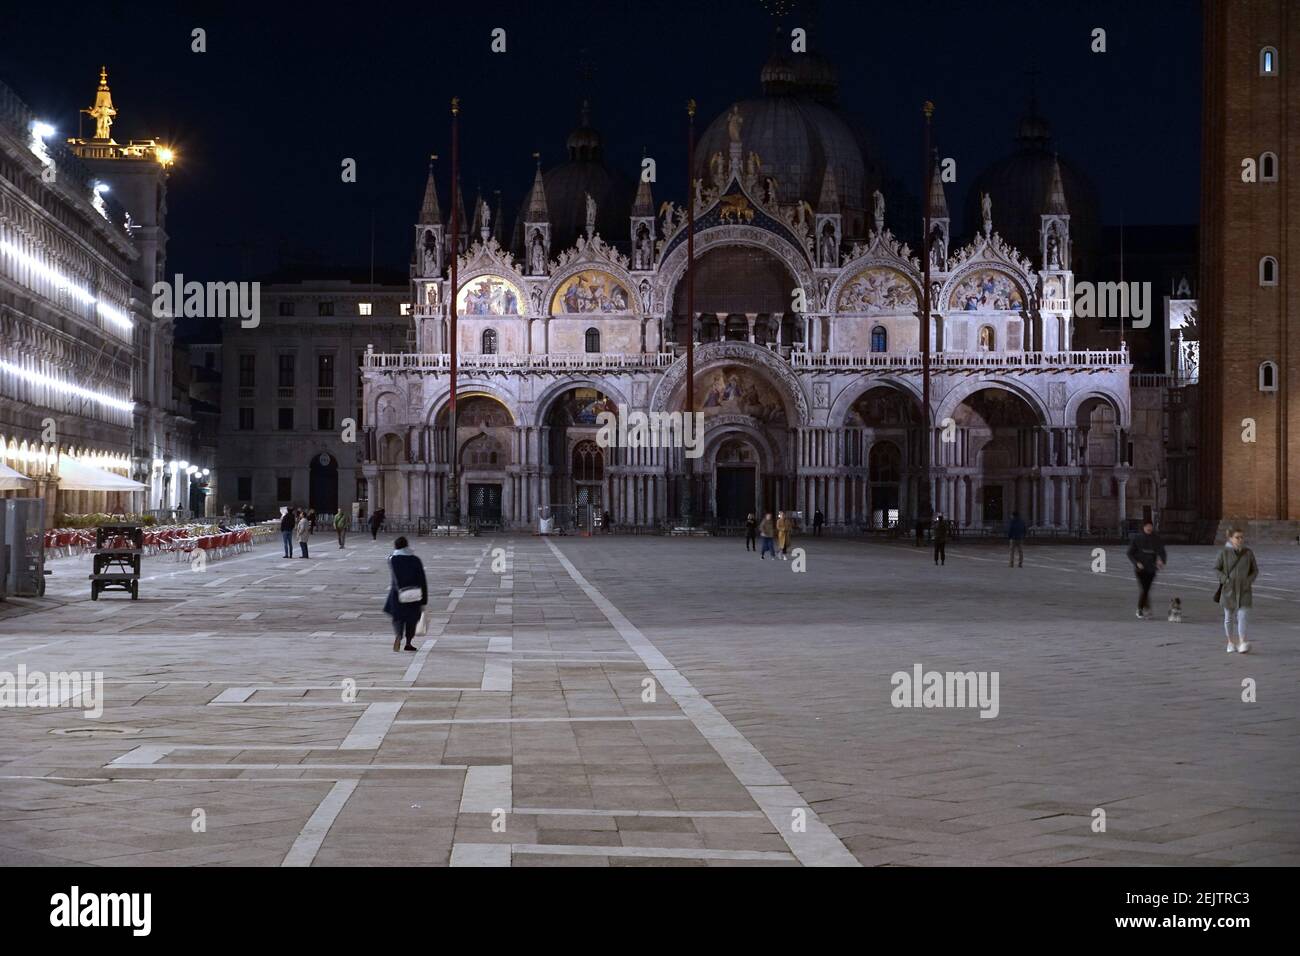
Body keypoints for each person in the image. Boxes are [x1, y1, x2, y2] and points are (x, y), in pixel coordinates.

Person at [1216, 528, 1257, 653]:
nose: (1240, 540)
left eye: (1242, 537)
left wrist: (1248, 581)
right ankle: (1230, 642)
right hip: (1228, 590)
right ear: (1230, 538)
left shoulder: (1248, 553)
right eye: (1237, 537)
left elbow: (1254, 570)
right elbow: (1217, 569)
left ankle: (1242, 642)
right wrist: (1225, 579)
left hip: (1244, 590)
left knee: (1243, 615)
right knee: (1228, 617)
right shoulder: (1223, 552)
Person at [383, 536, 428, 652]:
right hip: (414, 594)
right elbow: (422, 579)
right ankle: (408, 642)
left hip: (397, 594)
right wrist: (424, 598)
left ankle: (398, 635)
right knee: (411, 619)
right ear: (407, 545)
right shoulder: (415, 559)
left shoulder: (392, 559)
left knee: (398, 617)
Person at [1126, 519, 1167, 619]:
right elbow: (1129, 553)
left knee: (1146, 590)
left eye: (1150, 526)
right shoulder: (1137, 538)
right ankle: (1140, 609)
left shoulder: (1156, 538)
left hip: (1152, 568)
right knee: (1144, 589)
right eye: (1147, 526)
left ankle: (1147, 608)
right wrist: (1137, 563)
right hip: (1140, 568)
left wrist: (1161, 560)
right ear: (1143, 527)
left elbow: (1162, 551)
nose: (1149, 528)